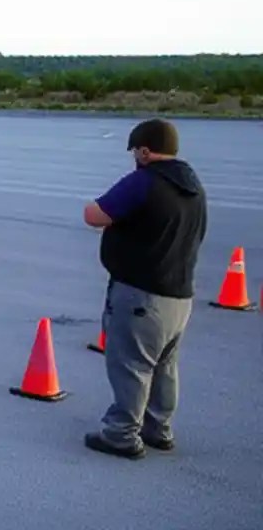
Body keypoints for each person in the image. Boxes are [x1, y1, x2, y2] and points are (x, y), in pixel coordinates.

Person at [82, 118, 207, 460]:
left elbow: (94, 214)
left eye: (135, 150)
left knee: (130, 364)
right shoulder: (193, 186)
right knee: (165, 366)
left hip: (141, 293)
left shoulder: (144, 182)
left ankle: (122, 434)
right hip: (179, 295)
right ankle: (159, 428)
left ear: (144, 150)